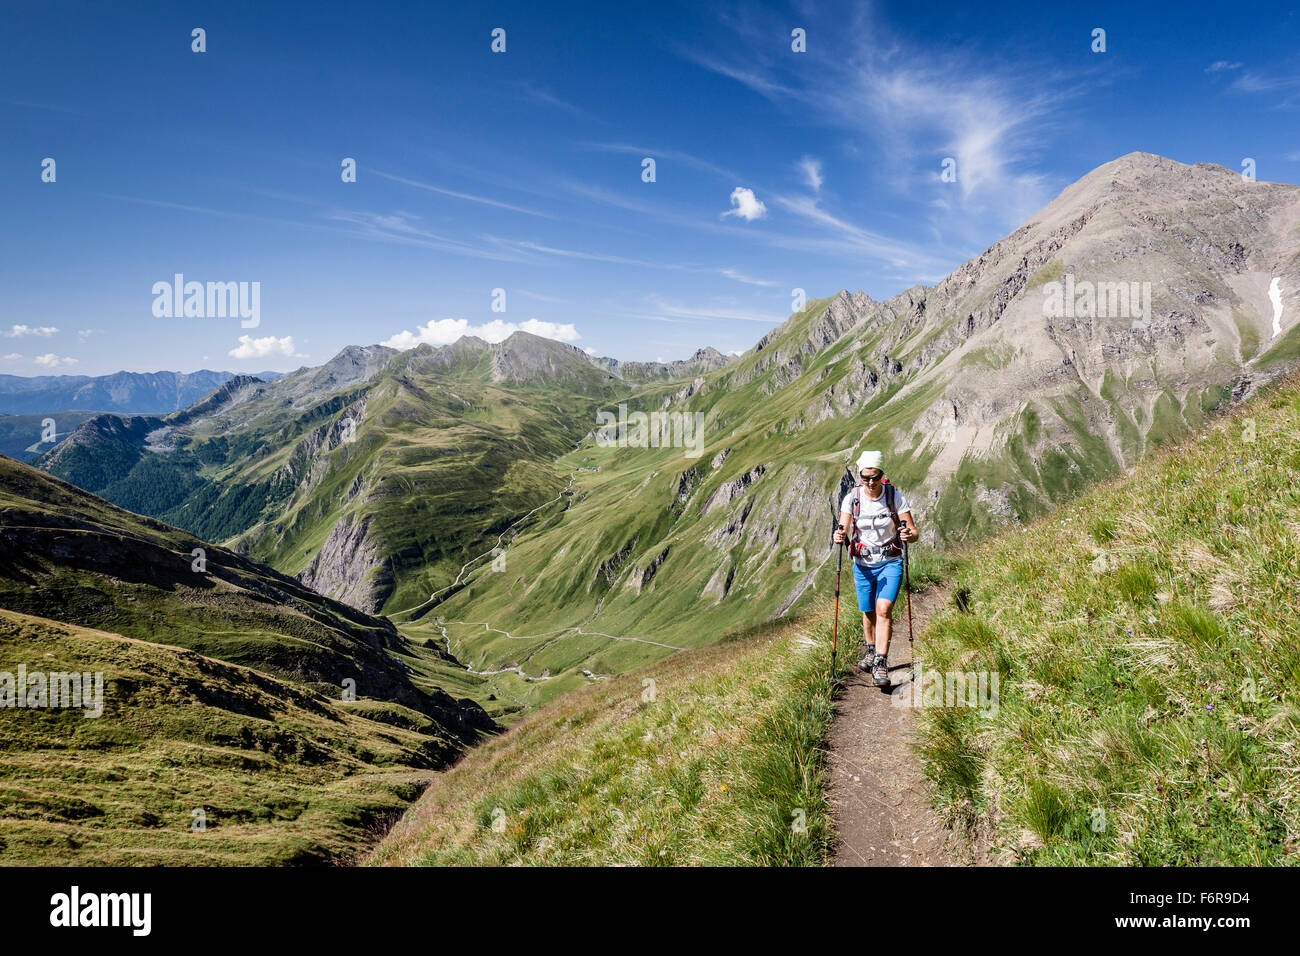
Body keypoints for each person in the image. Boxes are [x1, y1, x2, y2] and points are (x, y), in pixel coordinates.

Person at [832, 451, 919, 686]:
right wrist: (839, 535)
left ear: (882, 474)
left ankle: (881, 663)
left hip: (891, 561)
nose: (871, 482)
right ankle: (870, 650)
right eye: (866, 477)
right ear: (860, 475)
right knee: (868, 610)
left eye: (875, 477)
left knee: (884, 609)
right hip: (862, 564)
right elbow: (843, 527)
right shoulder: (852, 498)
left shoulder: (895, 497)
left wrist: (908, 535)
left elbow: (913, 533)